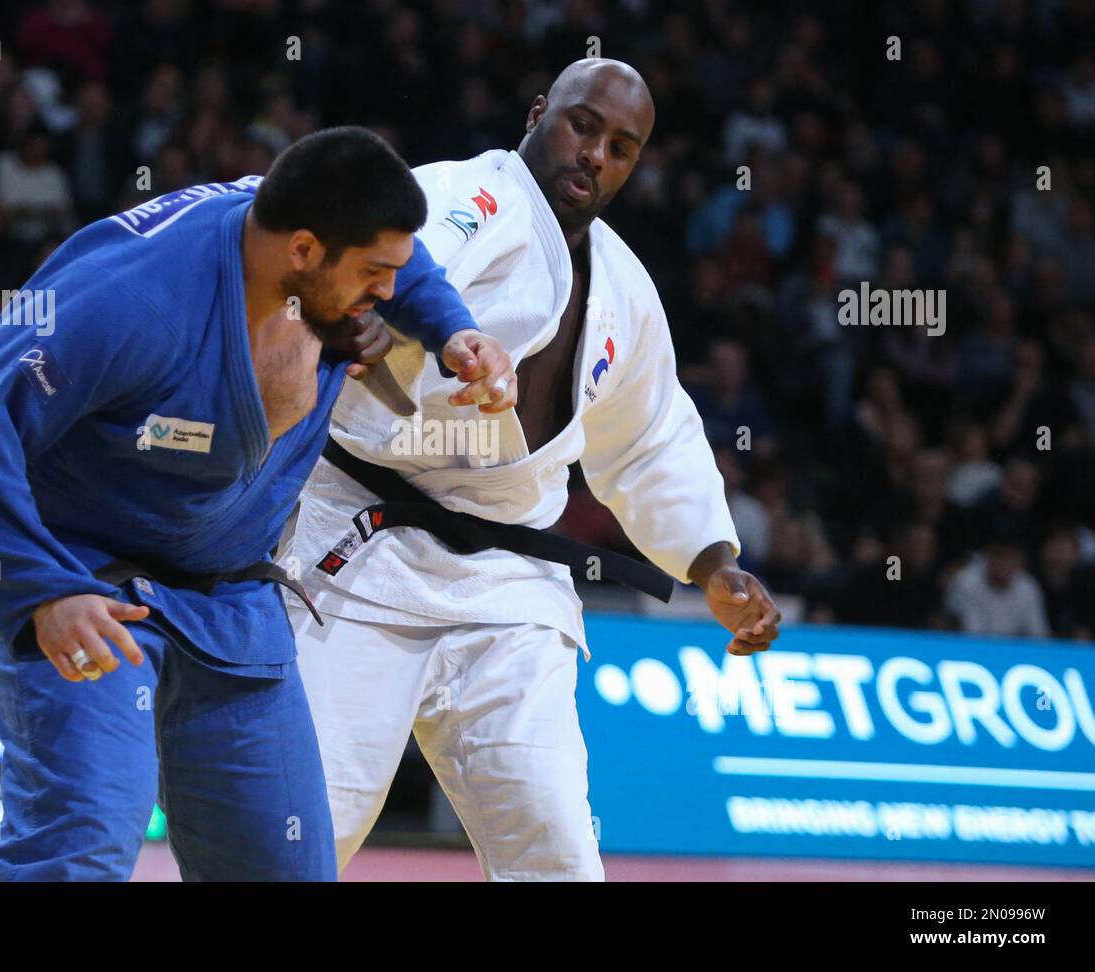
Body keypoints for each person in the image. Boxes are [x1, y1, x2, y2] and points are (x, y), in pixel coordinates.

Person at [0, 126, 515, 881]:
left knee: (283, 868)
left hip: (232, 595)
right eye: (371, 273)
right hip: (91, 587)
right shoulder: (128, 299)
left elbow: (409, 263)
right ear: (303, 251)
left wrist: (455, 330)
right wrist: (42, 590)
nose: (387, 295)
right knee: (80, 848)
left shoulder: (320, 243)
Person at [279, 60, 782, 881]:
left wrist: (714, 565)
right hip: (360, 547)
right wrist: (371, 322)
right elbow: (386, 263)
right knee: (299, 833)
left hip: (508, 580)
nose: (594, 155)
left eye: (621, 147)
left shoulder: (624, 288)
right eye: (583, 126)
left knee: (556, 850)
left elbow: (651, 437)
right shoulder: (460, 196)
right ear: (541, 112)